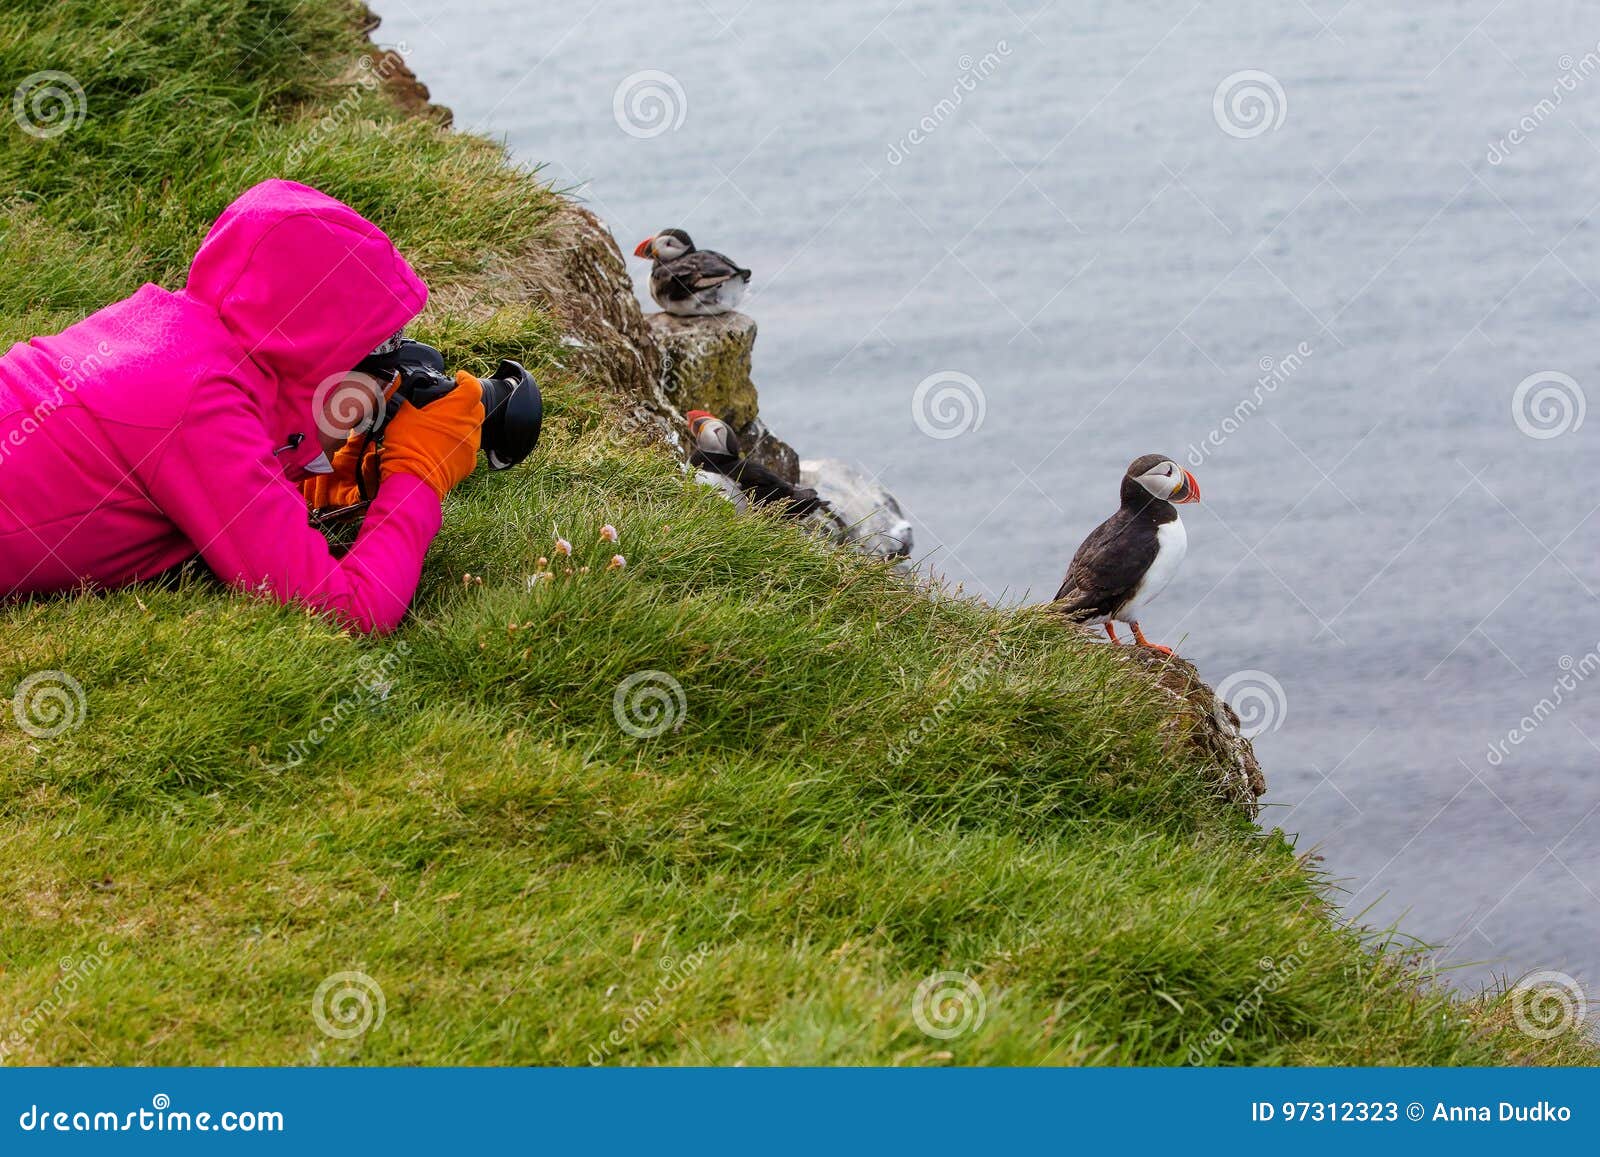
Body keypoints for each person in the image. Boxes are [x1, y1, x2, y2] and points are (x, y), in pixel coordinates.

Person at [0, 179, 483, 634]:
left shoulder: (163, 325)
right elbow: (349, 611)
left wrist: (300, 473)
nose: (368, 411)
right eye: (375, 382)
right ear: (325, 364)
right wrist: (420, 471)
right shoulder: (201, 407)